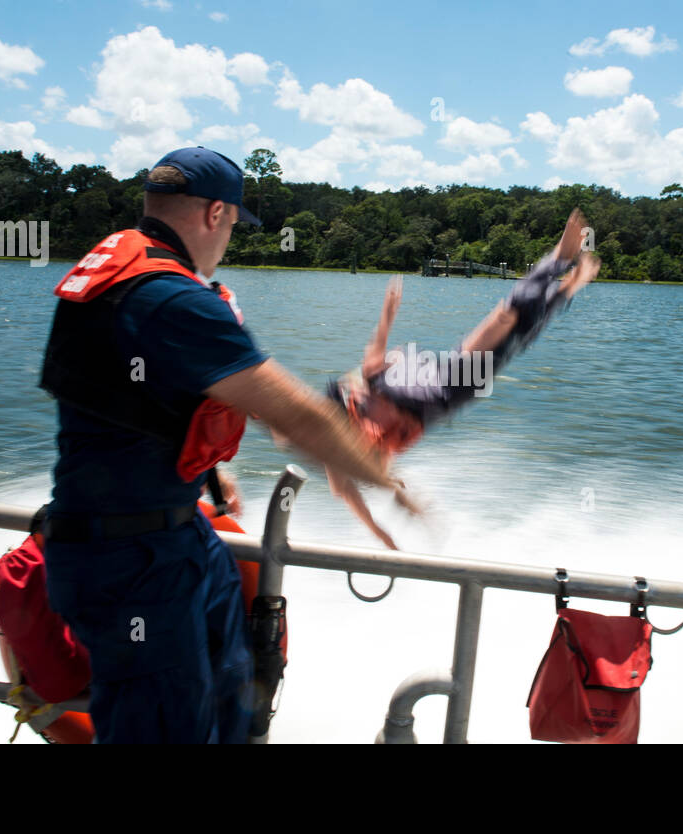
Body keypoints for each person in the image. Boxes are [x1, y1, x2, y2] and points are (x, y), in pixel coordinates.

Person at [38, 147, 407, 743]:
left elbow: (134, 409)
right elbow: (294, 414)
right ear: (215, 214)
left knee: (236, 681)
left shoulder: (111, 274)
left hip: (170, 535)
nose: (229, 241)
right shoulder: (174, 299)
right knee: (162, 728)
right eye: (234, 225)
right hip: (135, 562)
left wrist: (207, 477)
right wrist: (382, 477)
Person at [323, 209, 599, 549]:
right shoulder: (344, 448)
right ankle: (560, 268)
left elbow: (374, 353)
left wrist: (387, 312)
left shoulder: (362, 386)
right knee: (507, 319)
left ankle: (562, 281)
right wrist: (383, 533)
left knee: (508, 323)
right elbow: (345, 490)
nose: (355, 399)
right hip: (452, 388)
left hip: (444, 369)